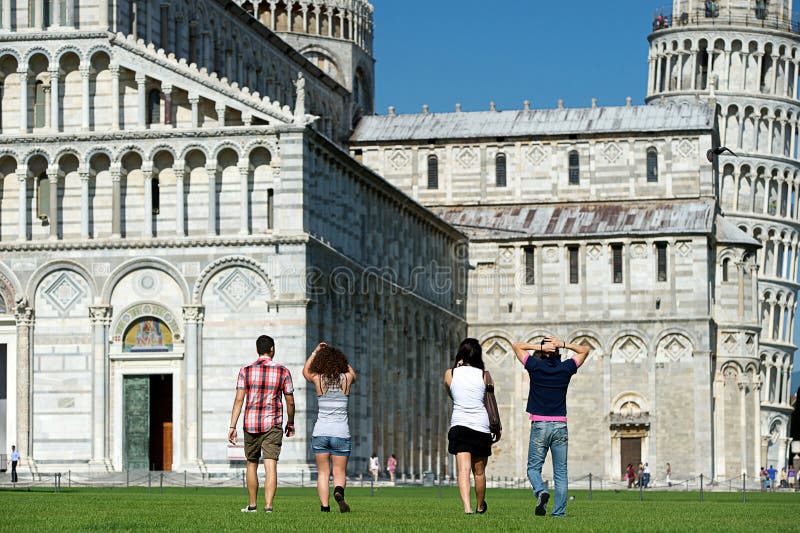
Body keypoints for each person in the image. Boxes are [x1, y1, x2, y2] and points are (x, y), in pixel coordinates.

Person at [513, 335, 591, 517]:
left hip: (540, 424)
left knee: (533, 468)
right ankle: (559, 513)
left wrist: (539, 346)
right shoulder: (566, 368)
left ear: (543, 353)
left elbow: (516, 346)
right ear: (557, 352)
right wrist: (561, 344)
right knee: (561, 472)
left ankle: (541, 491)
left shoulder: (535, 366)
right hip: (560, 425)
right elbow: (584, 350)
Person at [228, 335, 295, 513]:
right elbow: (290, 402)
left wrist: (232, 426)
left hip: (250, 424)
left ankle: (252, 505)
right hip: (273, 424)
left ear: (257, 349)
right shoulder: (283, 371)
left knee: (251, 463)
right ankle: (269, 506)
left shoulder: (245, 371)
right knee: (270, 463)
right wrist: (291, 422)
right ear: (272, 349)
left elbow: (238, 400)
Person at [302, 342, 356, 513]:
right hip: (341, 432)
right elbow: (352, 372)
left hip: (321, 432)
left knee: (323, 473)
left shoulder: (319, 379)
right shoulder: (346, 379)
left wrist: (316, 352)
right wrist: (340, 359)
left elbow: (306, 372)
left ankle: (325, 508)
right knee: (339, 471)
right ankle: (339, 492)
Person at [444, 338, 494, 515]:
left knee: (463, 470)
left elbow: (451, 393)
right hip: (481, 426)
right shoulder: (484, 375)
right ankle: (481, 506)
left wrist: (457, 367)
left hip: (460, 424)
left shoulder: (450, 373)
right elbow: (490, 401)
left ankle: (467, 508)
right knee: (479, 472)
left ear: (461, 354)